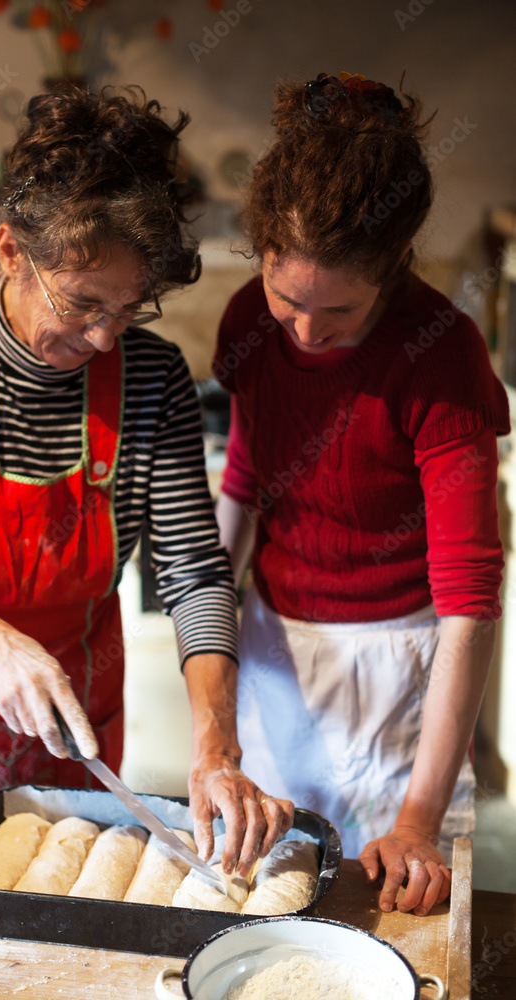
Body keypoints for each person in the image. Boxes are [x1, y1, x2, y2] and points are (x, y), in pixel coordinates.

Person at [0, 86, 292, 872]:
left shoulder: (150, 378)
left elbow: (192, 573)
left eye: (128, 310)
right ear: (11, 250)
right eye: (83, 303)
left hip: (72, 751)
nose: (101, 338)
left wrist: (215, 746)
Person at [213, 73, 511, 915]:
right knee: (264, 904)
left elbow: (468, 601)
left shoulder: (439, 355)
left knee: (387, 914)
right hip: (273, 653)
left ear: (394, 271)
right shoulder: (244, 322)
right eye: (285, 296)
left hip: (405, 670)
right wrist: (210, 640)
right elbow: (244, 478)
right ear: (261, 253)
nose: (303, 332)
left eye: (338, 312)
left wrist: (416, 818)